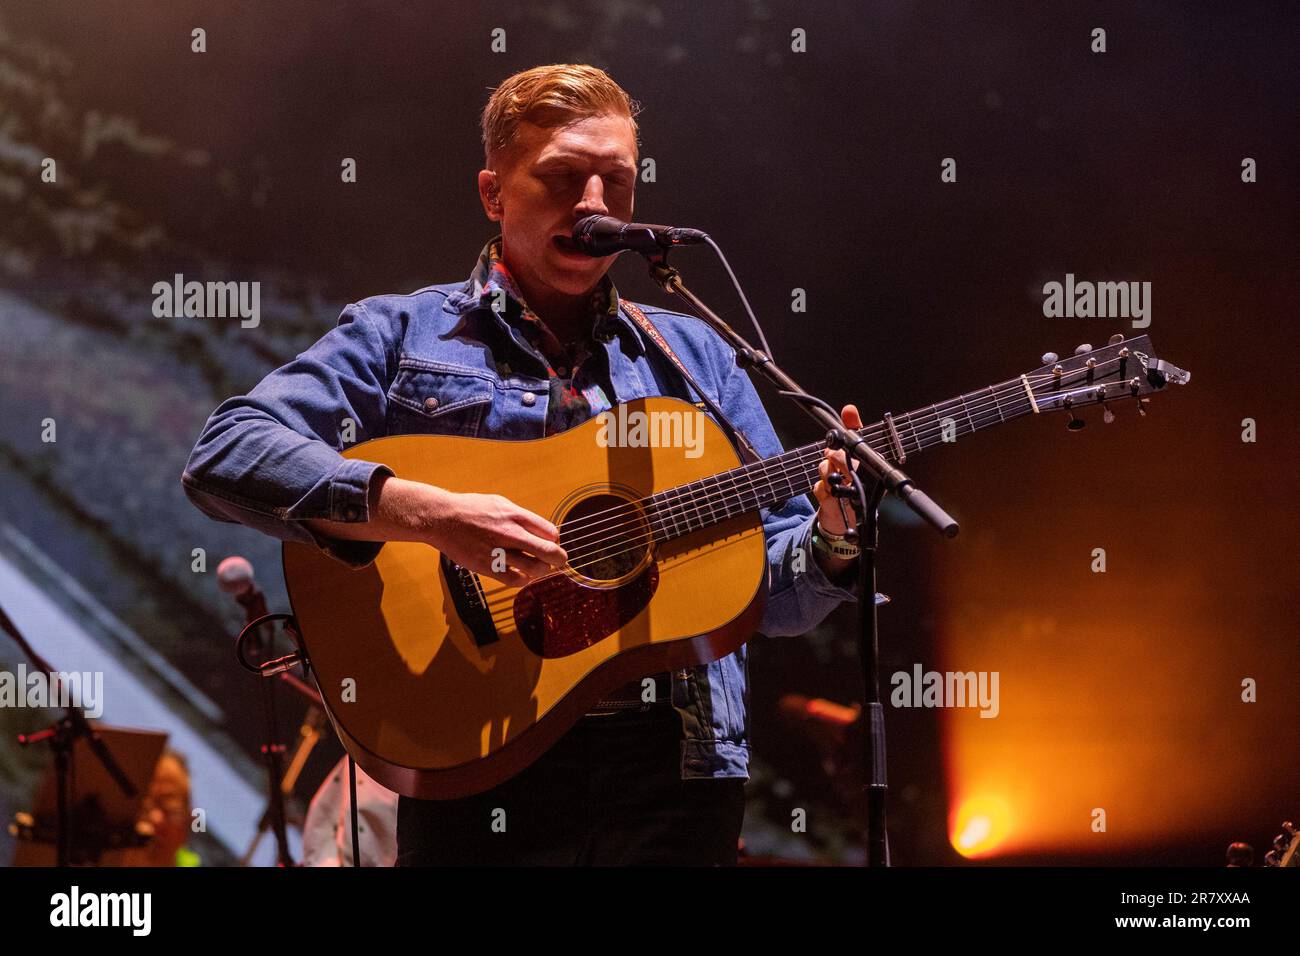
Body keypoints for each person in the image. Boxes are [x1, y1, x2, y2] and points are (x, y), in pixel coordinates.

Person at [182, 63, 861, 865]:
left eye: (617, 181)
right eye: (564, 179)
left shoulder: (698, 355)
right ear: (493, 193)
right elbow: (228, 450)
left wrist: (833, 540)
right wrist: (428, 515)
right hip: (474, 758)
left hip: (678, 769)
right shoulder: (404, 335)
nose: (595, 206)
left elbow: (768, 595)